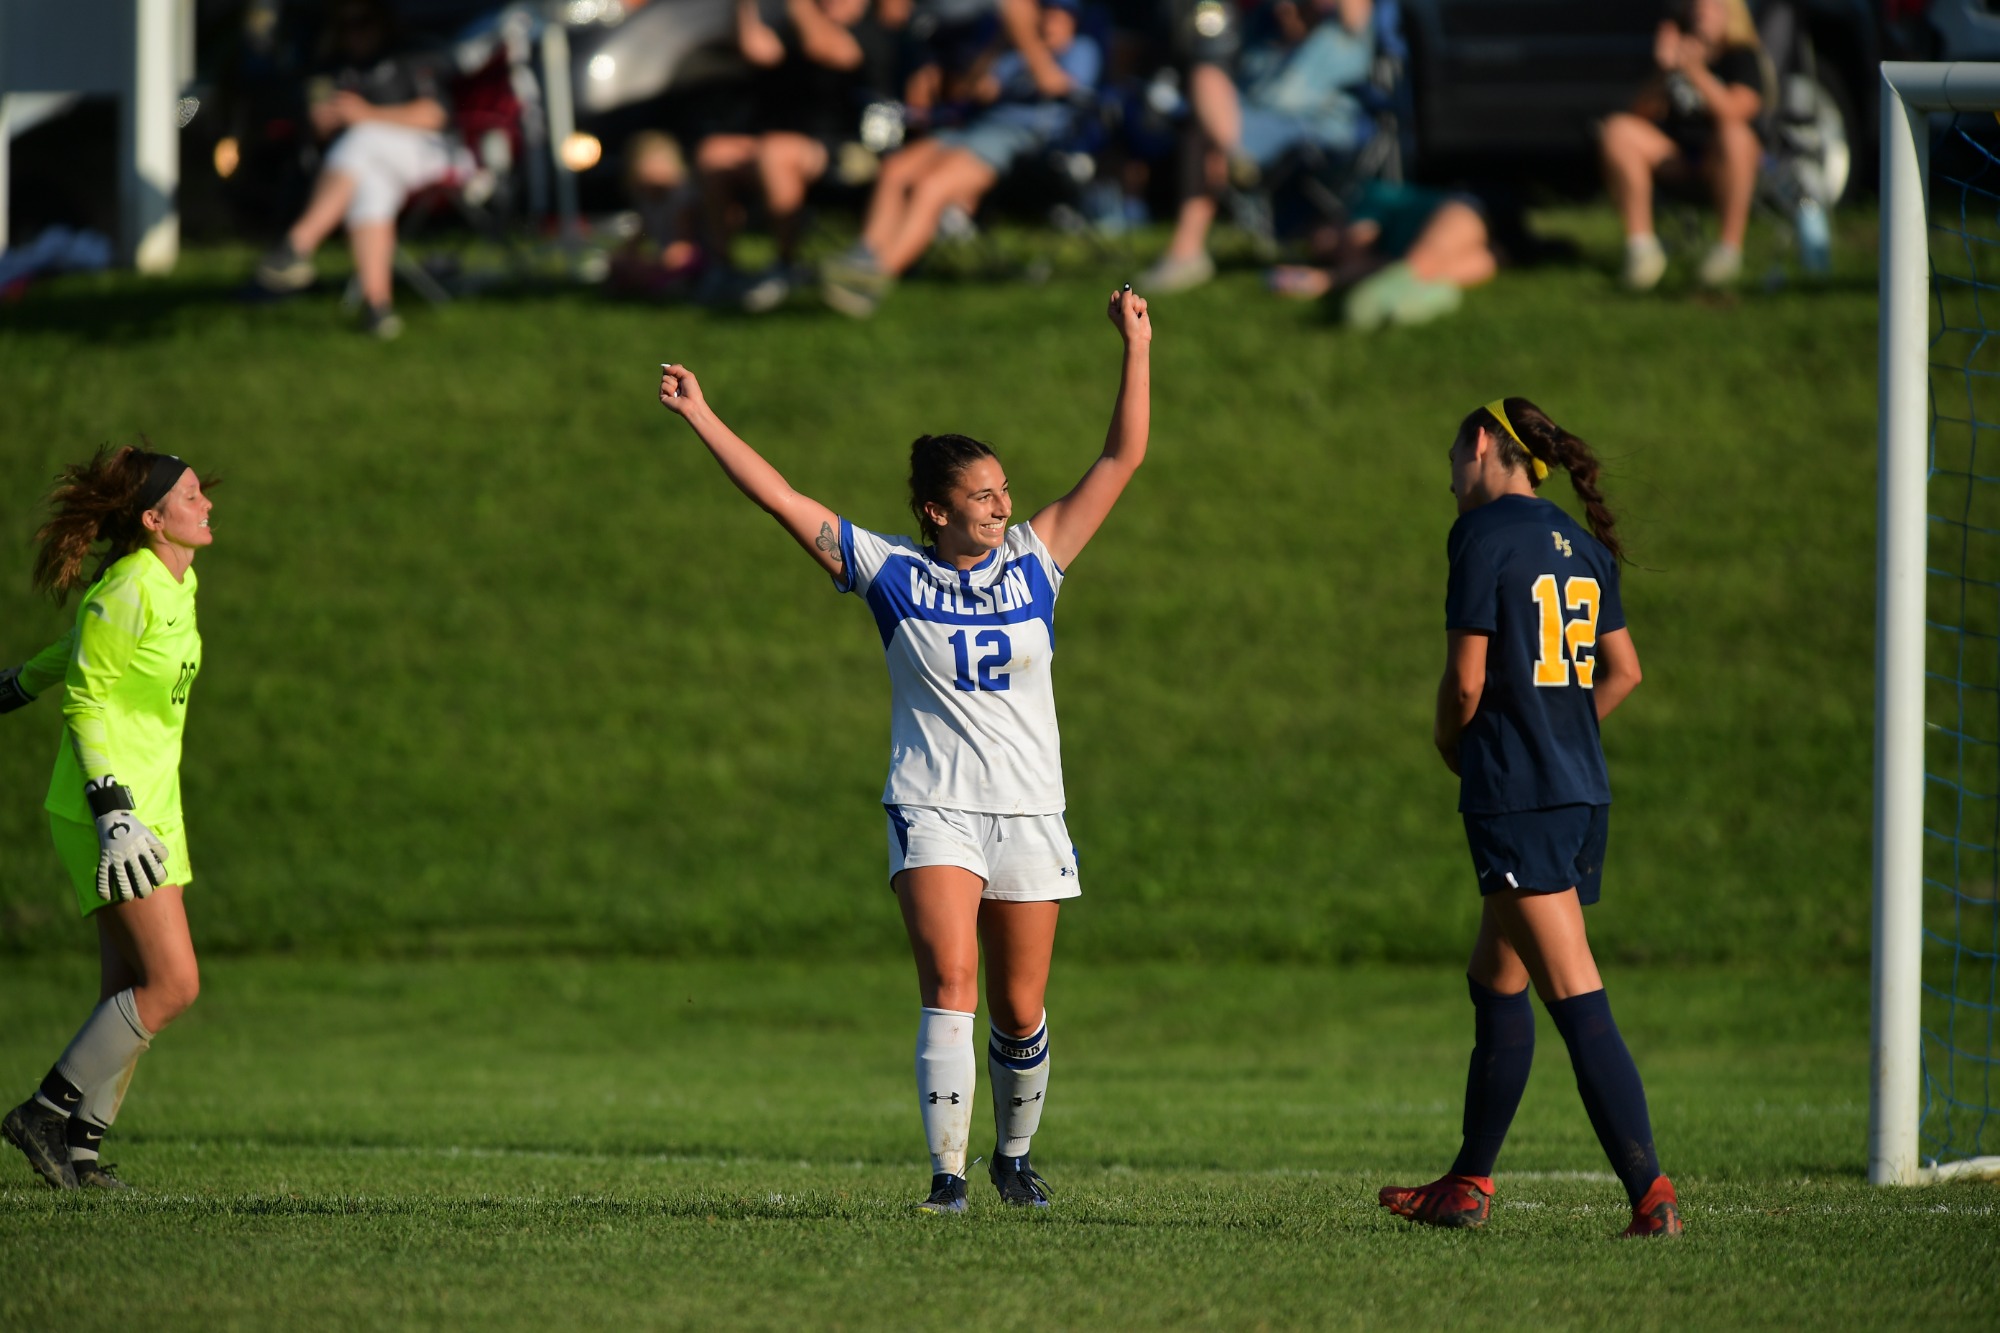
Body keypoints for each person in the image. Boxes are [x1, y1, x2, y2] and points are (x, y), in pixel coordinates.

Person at [655, 287, 1151, 1211]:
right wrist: (704, 415)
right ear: (935, 511)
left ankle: (1012, 1156)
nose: (1001, 504)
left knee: (1021, 1006)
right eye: (980, 495)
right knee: (950, 982)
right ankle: (947, 1178)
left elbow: (1123, 456)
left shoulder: (1038, 560)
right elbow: (781, 499)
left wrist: (1137, 345)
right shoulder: (891, 571)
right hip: (933, 803)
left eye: (1004, 488)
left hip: (1032, 809)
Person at [1377, 398, 1682, 1238]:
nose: (1449, 469)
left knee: (1575, 991)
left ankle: (1651, 1192)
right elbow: (1623, 672)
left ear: (1481, 444)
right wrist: (1560, 730)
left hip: (1519, 794)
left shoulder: (1480, 535)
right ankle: (1468, 1182)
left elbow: (1467, 683)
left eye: (1452, 450)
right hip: (1579, 791)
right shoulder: (1578, 543)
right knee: (1496, 975)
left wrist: (1452, 739)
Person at [0, 445, 216, 1191]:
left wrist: (16, 684)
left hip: (155, 806)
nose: (207, 504)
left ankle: (81, 1152)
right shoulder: (129, 587)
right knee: (174, 983)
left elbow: (80, 650)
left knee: (128, 982)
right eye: (191, 496)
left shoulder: (173, 582)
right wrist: (113, 815)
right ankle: (41, 1114)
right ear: (155, 519)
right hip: (112, 809)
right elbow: (88, 698)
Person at [821, 0, 1102, 317]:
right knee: (895, 168)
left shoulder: (1081, 50)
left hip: (1020, 141)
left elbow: (1051, 83)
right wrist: (1000, 42)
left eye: (1057, 18)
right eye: (1043, 16)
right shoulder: (1013, 52)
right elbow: (974, 91)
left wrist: (1024, 37)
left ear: (1073, 21)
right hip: (976, 129)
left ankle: (877, 276)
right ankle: (865, 254)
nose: (1048, 24)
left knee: (931, 186)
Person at [253, 0, 468, 337]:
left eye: (364, 21)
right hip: (366, 164)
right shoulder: (333, 70)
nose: (356, 32)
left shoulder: (411, 55)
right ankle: (377, 308)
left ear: (382, 21)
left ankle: (297, 245)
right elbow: (311, 119)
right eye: (346, 25)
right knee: (370, 183)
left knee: (364, 138)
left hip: (433, 155)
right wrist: (320, 120)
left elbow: (434, 115)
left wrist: (365, 115)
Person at [1141, 0, 1374, 294]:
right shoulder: (1265, 29)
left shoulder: (1343, 30)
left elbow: (1355, 11)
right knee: (1206, 84)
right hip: (1255, 118)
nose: (1284, 8)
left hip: (1315, 126)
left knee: (1204, 122)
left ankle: (1188, 250)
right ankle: (1232, 154)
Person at [695, 0, 880, 312]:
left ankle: (786, 264)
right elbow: (757, 50)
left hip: (852, 149)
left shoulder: (871, 31)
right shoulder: (800, 26)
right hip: (780, 144)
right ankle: (722, 269)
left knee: (775, 151)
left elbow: (825, 48)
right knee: (715, 153)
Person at [1599, 0, 1768, 291]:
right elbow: (1640, 115)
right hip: (1677, 157)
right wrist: (1663, 71)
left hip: (1724, 161)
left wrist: (1696, 72)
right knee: (1617, 130)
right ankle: (1642, 250)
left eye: (1712, 7)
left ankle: (1727, 252)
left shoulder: (1741, 56)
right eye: (1696, 7)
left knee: (1734, 135)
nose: (1701, 12)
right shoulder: (1676, 52)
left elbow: (1736, 112)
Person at [1265, 179, 1495, 329]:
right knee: (1451, 271)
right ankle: (1425, 301)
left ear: (1332, 220)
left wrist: (1326, 279)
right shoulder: (1382, 255)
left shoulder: (1366, 200)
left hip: (1458, 211)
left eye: (1320, 236)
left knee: (1420, 262)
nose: (1330, 250)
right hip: (1481, 247)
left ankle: (1367, 308)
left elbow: (1359, 240)